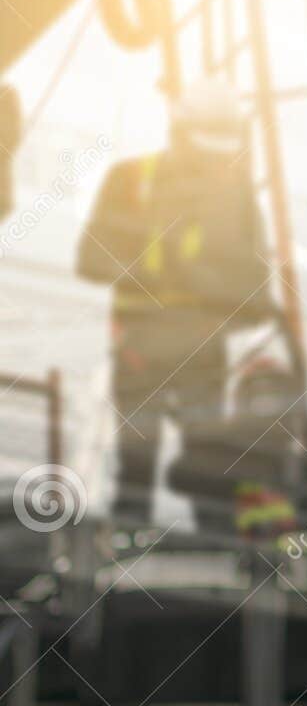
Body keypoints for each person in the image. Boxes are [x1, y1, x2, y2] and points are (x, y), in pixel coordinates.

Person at [77, 79, 274, 525]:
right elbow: (92, 259)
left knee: (206, 465)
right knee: (136, 465)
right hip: (142, 345)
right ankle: (126, 544)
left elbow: (257, 291)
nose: (214, 159)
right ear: (180, 134)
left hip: (202, 350)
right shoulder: (132, 180)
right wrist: (159, 273)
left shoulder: (238, 196)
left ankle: (216, 557)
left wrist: (217, 290)